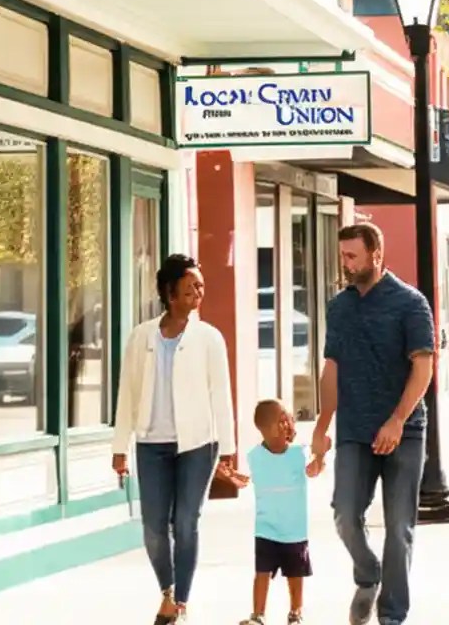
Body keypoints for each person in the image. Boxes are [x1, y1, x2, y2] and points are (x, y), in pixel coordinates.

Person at [111, 254, 246, 624]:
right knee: (154, 527)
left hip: (197, 445)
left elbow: (221, 394)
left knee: (186, 522)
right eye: (191, 288)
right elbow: (127, 393)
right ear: (171, 292)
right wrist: (119, 447)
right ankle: (167, 592)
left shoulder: (209, 338)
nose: (199, 292)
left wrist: (228, 451)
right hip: (152, 444)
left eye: (201, 286)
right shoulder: (141, 336)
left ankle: (180, 604)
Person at [311, 223, 434, 625]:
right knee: (345, 515)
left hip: (404, 431)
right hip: (353, 431)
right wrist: (321, 425)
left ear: (376, 255)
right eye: (343, 255)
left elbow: (423, 367)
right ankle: (368, 575)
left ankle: (391, 616)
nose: (345, 264)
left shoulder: (410, 303)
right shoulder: (339, 307)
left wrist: (397, 420)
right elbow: (332, 367)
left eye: (353, 256)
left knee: (399, 528)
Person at [239, 400, 325, 625]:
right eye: (282, 420)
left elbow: (314, 470)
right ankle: (258, 614)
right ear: (266, 429)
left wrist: (321, 456)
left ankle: (296, 612)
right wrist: (228, 476)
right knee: (262, 573)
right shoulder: (254, 457)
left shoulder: (300, 453)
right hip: (266, 527)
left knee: (295, 574)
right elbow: (245, 479)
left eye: (288, 418)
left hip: (294, 530)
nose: (288, 423)